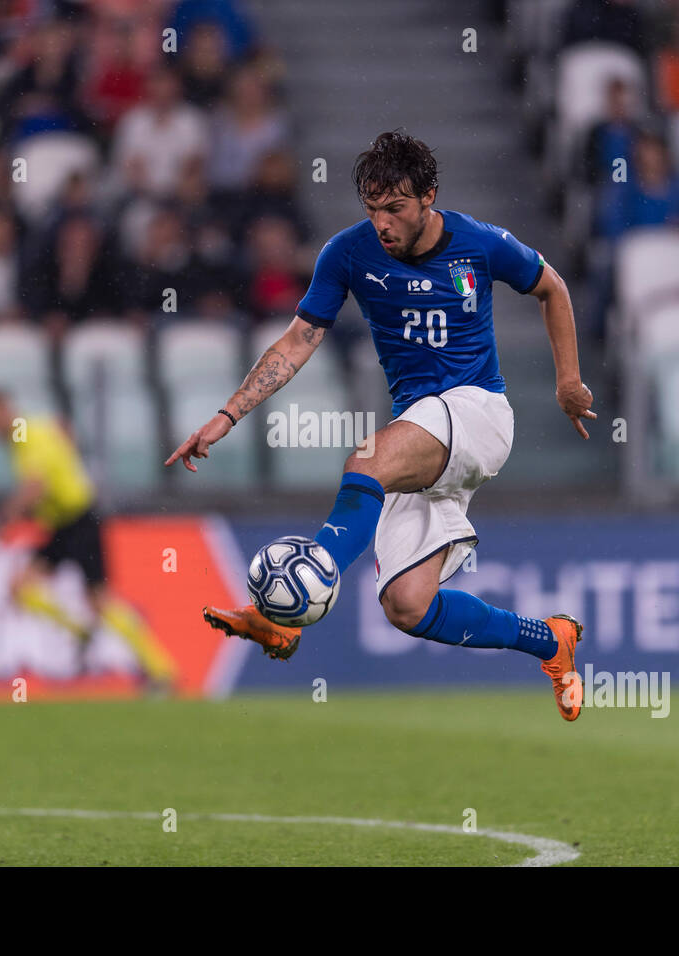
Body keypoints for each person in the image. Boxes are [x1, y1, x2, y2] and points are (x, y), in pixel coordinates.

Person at [166, 131, 594, 721]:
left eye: (395, 208)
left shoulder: (481, 242)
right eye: (372, 210)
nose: (383, 224)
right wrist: (228, 413)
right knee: (407, 606)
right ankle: (550, 641)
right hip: (420, 429)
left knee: (366, 459)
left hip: (478, 412)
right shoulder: (347, 253)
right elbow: (298, 340)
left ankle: (280, 617)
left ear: (428, 197)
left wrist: (568, 381)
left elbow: (552, 287)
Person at [0, 392, 176, 688]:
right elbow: (62, 437)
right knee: (20, 588)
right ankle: (80, 631)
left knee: (100, 601)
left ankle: (161, 670)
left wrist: (0, 521)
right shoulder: (32, 432)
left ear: (6, 410)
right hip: (61, 526)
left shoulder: (28, 436)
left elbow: (35, 486)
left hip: (81, 521)